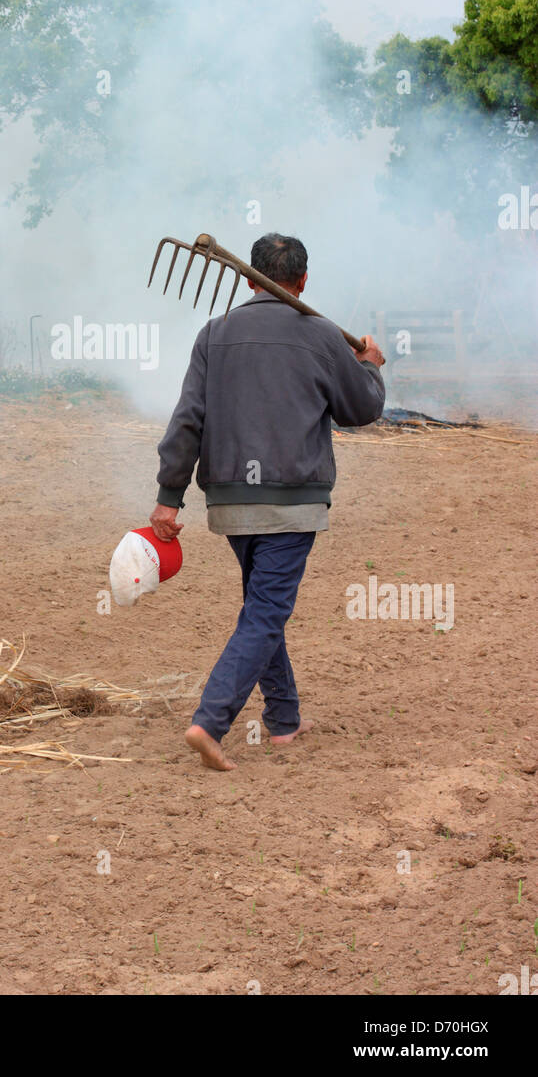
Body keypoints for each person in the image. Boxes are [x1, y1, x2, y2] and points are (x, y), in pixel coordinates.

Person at [149, 232, 385, 771]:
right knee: (266, 612)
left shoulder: (215, 334)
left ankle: (284, 720)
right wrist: (369, 364)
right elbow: (362, 408)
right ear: (302, 282)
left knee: (262, 607)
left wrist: (169, 497)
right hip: (291, 502)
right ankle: (210, 723)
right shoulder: (323, 336)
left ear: (249, 279)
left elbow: (187, 419)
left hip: (230, 504)